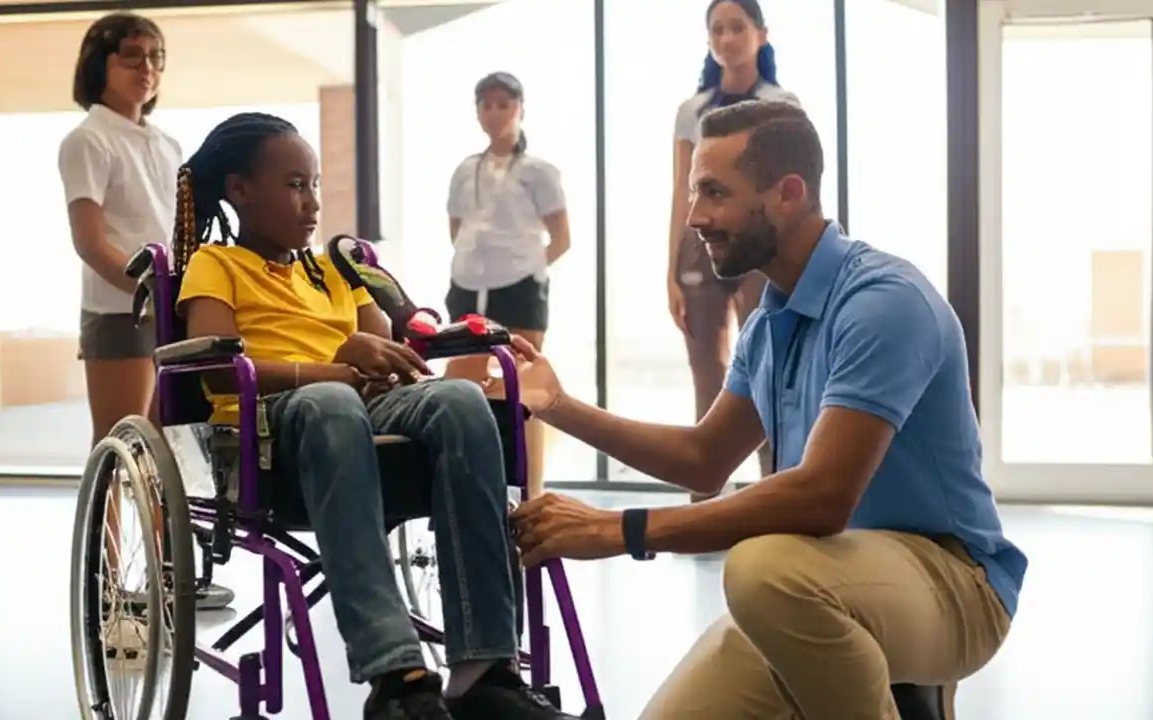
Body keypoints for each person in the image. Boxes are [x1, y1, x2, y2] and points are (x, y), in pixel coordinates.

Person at [501, 100, 1028, 719]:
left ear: (788, 193)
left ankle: (909, 691)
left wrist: (621, 530)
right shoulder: (769, 322)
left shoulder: (883, 302)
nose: (695, 217)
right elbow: (705, 459)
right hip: (820, 580)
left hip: (952, 583)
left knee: (762, 569)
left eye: (714, 192)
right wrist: (558, 404)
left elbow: (822, 497)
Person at [172, 111, 577, 720]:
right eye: (293, 185)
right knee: (332, 402)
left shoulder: (337, 269)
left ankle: (484, 671)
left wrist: (383, 355)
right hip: (267, 423)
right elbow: (215, 366)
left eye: (314, 184)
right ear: (239, 190)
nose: (311, 202)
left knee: (461, 399)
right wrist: (327, 367)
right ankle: (395, 674)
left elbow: (382, 349)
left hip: (356, 407)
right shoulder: (217, 266)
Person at [58, 12, 233, 612]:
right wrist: (144, 290)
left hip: (171, 309)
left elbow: (178, 233)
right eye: (132, 56)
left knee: (165, 447)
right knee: (117, 445)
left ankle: (166, 574)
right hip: (118, 311)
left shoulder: (165, 143)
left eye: (156, 57)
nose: (147, 68)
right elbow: (91, 239)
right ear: (98, 64)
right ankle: (103, 585)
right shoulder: (89, 138)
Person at [668, 0, 798, 501]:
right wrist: (671, 271)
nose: (727, 38)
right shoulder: (692, 111)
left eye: (737, 27)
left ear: (760, 35)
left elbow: (795, 189)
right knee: (706, 366)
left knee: (769, 361)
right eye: (717, 30)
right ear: (709, 40)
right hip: (699, 249)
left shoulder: (782, 105)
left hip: (760, 245)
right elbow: (680, 192)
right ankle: (705, 494)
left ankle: (777, 488)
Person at [444, 71, 570, 499]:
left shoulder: (540, 171)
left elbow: (562, 237)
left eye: (503, 103)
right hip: (468, 284)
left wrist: (530, 268)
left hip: (519, 286)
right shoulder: (465, 170)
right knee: (460, 384)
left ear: (519, 108)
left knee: (523, 388)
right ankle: (465, 488)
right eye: (486, 104)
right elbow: (456, 228)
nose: (494, 112)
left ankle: (532, 491)